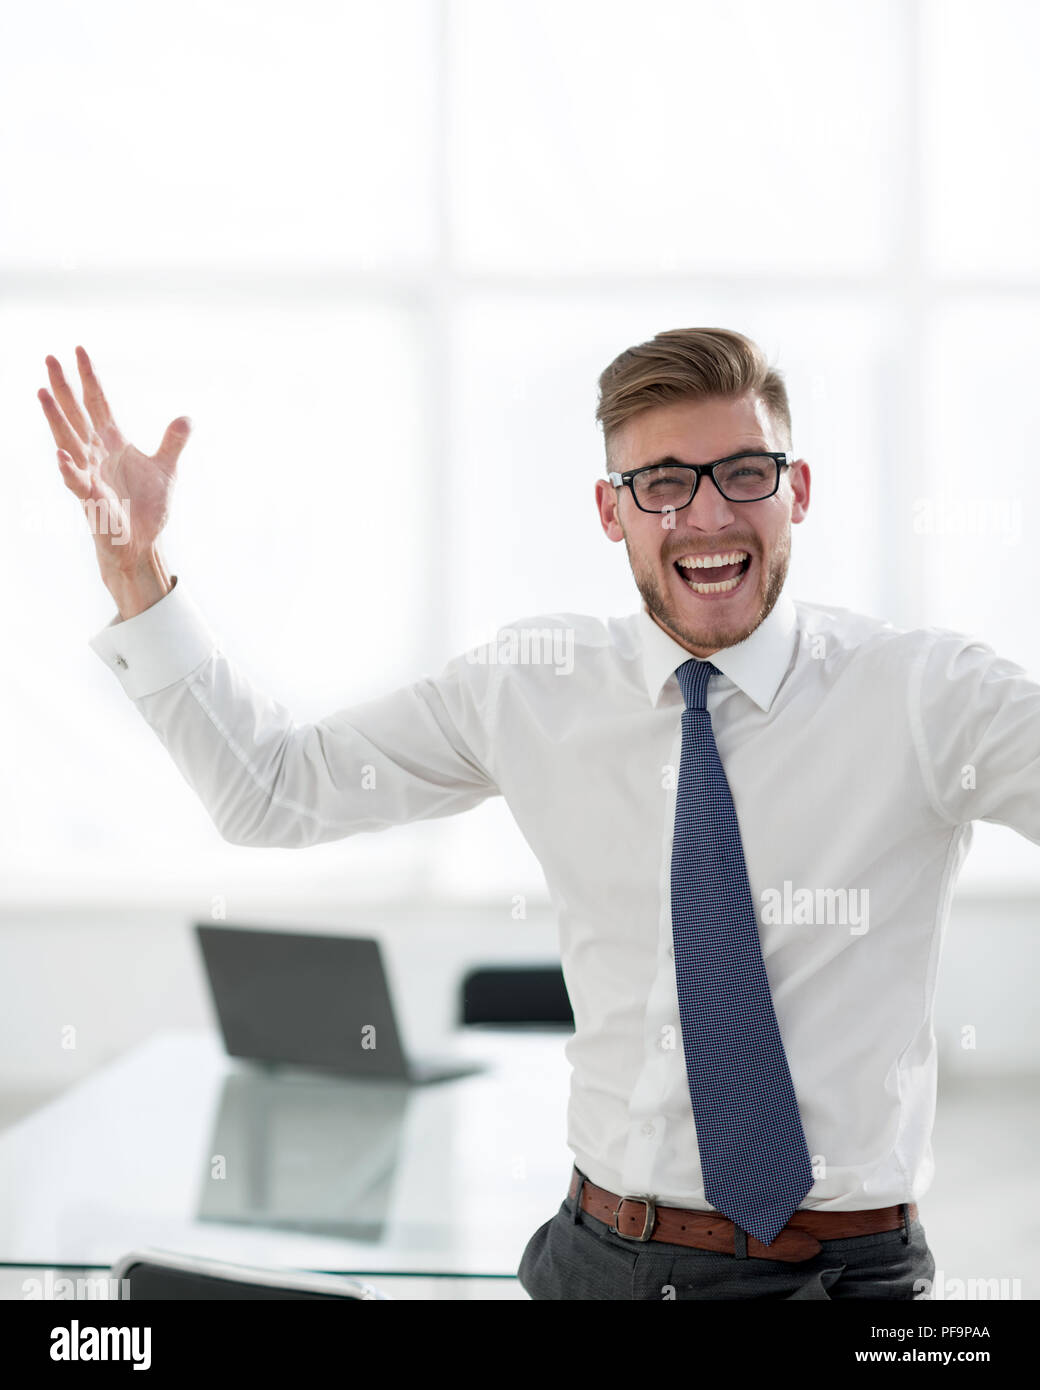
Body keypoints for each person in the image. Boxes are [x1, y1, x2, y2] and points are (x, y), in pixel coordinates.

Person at [37, 328, 1039, 1301]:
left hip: (831, 1273)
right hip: (592, 1260)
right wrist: (136, 568)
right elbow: (270, 790)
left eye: (743, 471)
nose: (704, 516)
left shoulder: (923, 695)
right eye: (660, 483)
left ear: (796, 490)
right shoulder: (533, 686)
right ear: (611, 511)